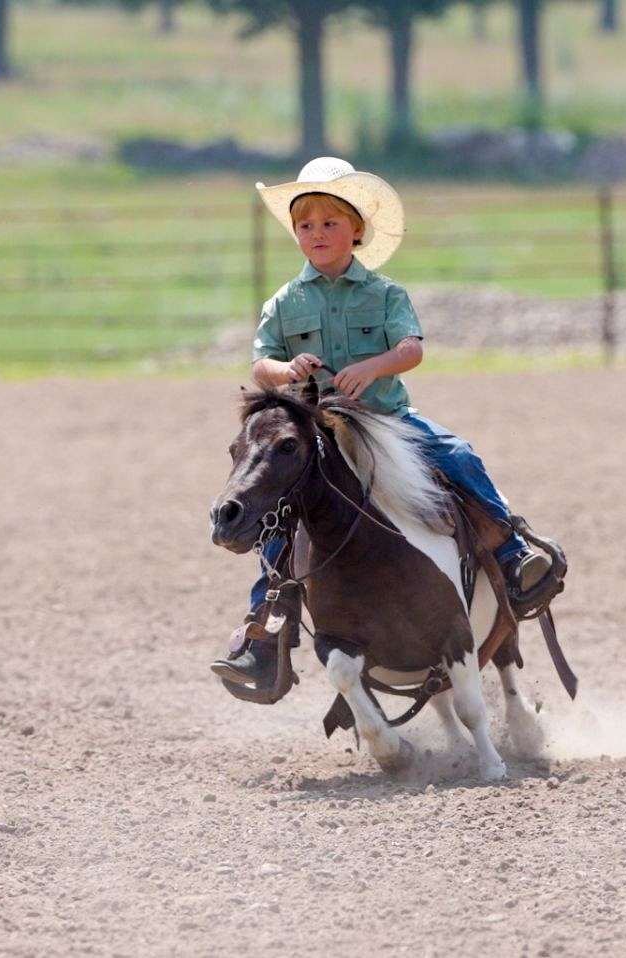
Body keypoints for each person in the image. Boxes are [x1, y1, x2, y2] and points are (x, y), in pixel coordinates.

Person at [212, 157, 558, 688]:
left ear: (357, 230)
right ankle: (267, 624)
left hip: (387, 419)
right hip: (319, 431)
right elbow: (262, 362)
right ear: (295, 234)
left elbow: (411, 349)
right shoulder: (284, 302)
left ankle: (513, 554)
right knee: (280, 513)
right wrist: (288, 369)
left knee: (458, 455)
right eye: (306, 225)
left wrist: (373, 368)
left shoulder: (385, 294)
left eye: (330, 223)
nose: (317, 234)